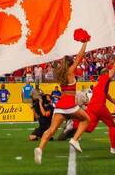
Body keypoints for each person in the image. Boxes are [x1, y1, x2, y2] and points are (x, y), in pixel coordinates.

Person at [34, 34, 90, 164]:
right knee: (86, 119)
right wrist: (85, 43)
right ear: (71, 64)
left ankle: (40, 148)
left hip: (60, 106)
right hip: (70, 105)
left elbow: (55, 66)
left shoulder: (59, 73)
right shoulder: (70, 72)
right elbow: (80, 57)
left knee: (51, 130)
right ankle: (74, 139)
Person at [70, 51, 115, 154]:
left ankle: (74, 123)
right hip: (99, 107)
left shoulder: (99, 85)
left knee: (90, 128)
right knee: (112, 126)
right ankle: (114, 147)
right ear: (104, 74)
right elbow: (114, 69)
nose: (111, 76)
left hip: (92, 107)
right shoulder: (105, 79)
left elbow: (111, 98)